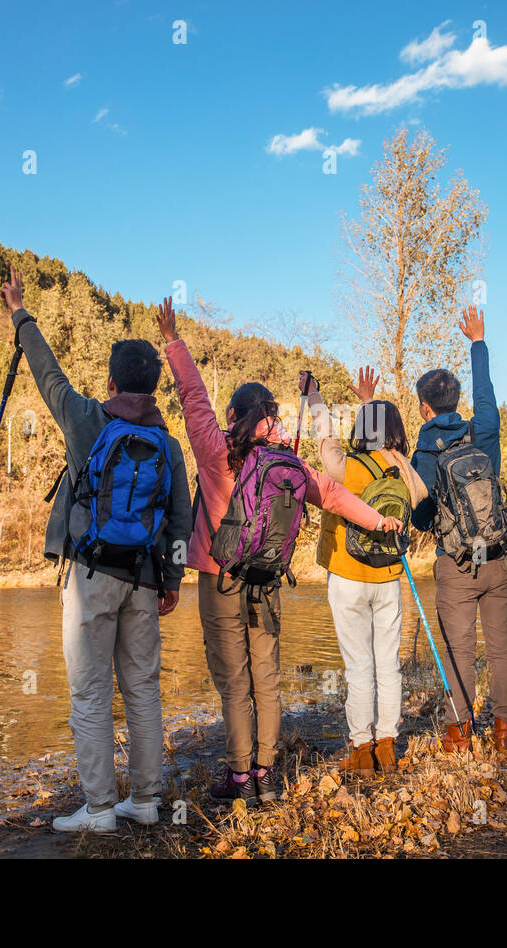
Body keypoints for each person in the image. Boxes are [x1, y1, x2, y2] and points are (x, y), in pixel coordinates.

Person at [155, 298, 404, 804]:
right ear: (270, 417)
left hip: (220, 577)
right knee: (265, 675)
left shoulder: (216, 450)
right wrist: (381, 520)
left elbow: (193, 396)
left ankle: (240, 776)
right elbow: (336, 496)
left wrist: (172, 340)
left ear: (233, 417)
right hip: (267, 579)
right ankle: (267, 775)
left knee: (232, 679)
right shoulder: (287, 464)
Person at [1, 266, 192, 831]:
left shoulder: (85, 418)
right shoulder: (168, 444)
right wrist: (173, 580)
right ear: (152, 387)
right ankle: (147, 801)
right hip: (144, 579)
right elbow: (179, 519)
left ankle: (100, 809)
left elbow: (47, 375)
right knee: (142, 690)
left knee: (89, 694)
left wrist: (20, 312)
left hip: (88, 578)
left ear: (111, 384)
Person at [410, 305, 507, 753]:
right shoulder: (484, 432)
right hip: (498, 560)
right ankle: (506, 732)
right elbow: (487, 397)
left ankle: (460, 734)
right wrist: (477, 342)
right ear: (456, 403)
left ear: (423, 406)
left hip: (455, 566)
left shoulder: (424, 449)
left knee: (460, 652)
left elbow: (420, 515)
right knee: (502, 651)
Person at [307, 366, 427, 776]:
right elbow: (418, 492)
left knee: (359, 666)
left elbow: (327, 445)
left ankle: (361, 750)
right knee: (387, 664)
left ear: (363, 428)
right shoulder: (405, 472)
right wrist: (371, 404)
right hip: (389, 577)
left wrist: (315, 399)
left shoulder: (349, 467)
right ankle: (387, 745)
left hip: (347, 574)